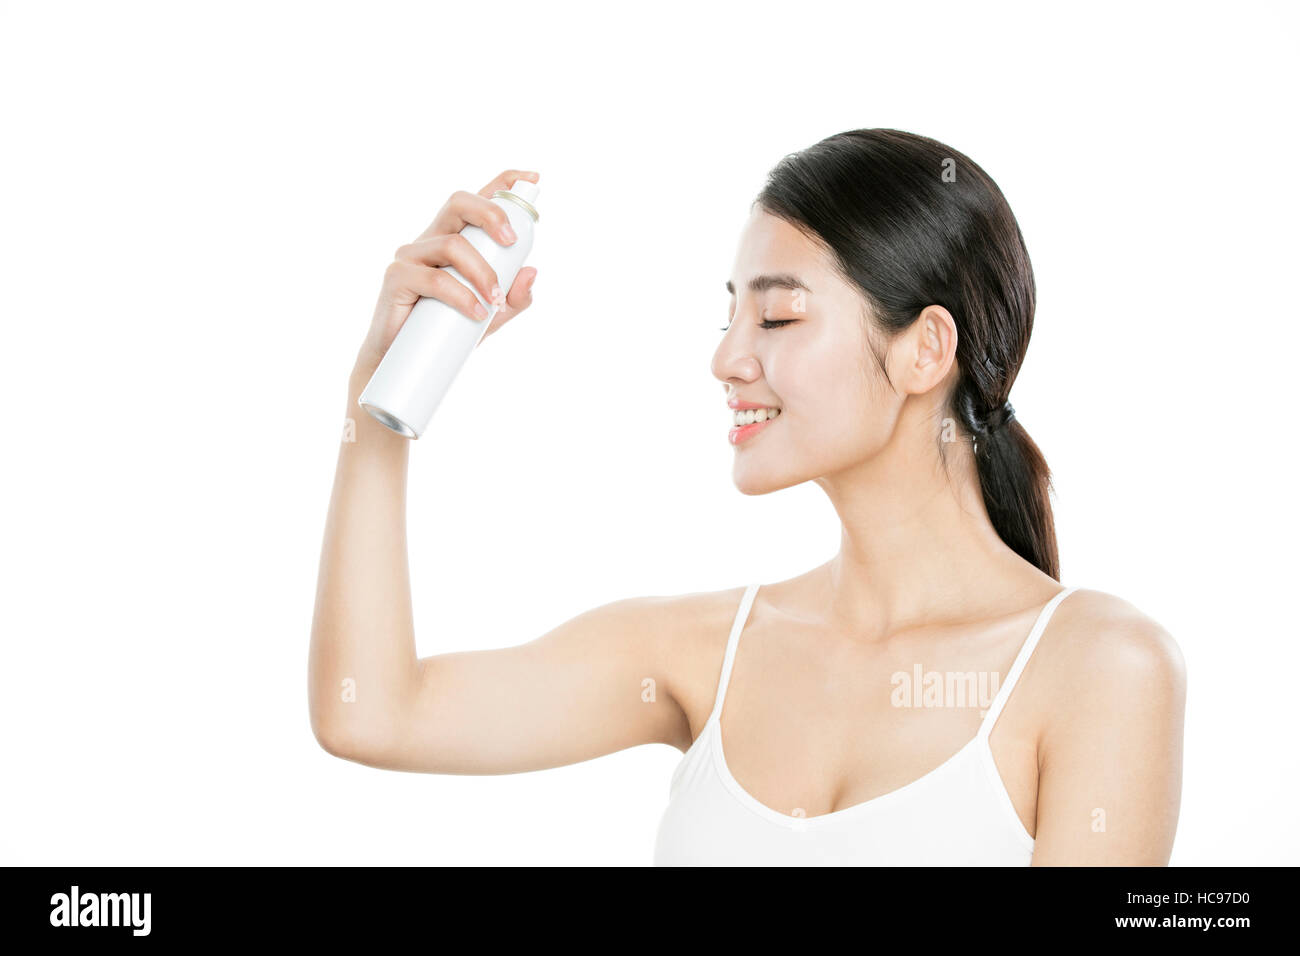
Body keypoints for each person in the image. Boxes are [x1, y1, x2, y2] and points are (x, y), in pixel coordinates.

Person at [309, 131, 1186, 866]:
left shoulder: (1100, 669)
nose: (727, 359)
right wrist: (379, 408)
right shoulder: (700, 651)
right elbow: (372, 711)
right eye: (728, 317)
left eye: (776, 317)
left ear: (926, 349)